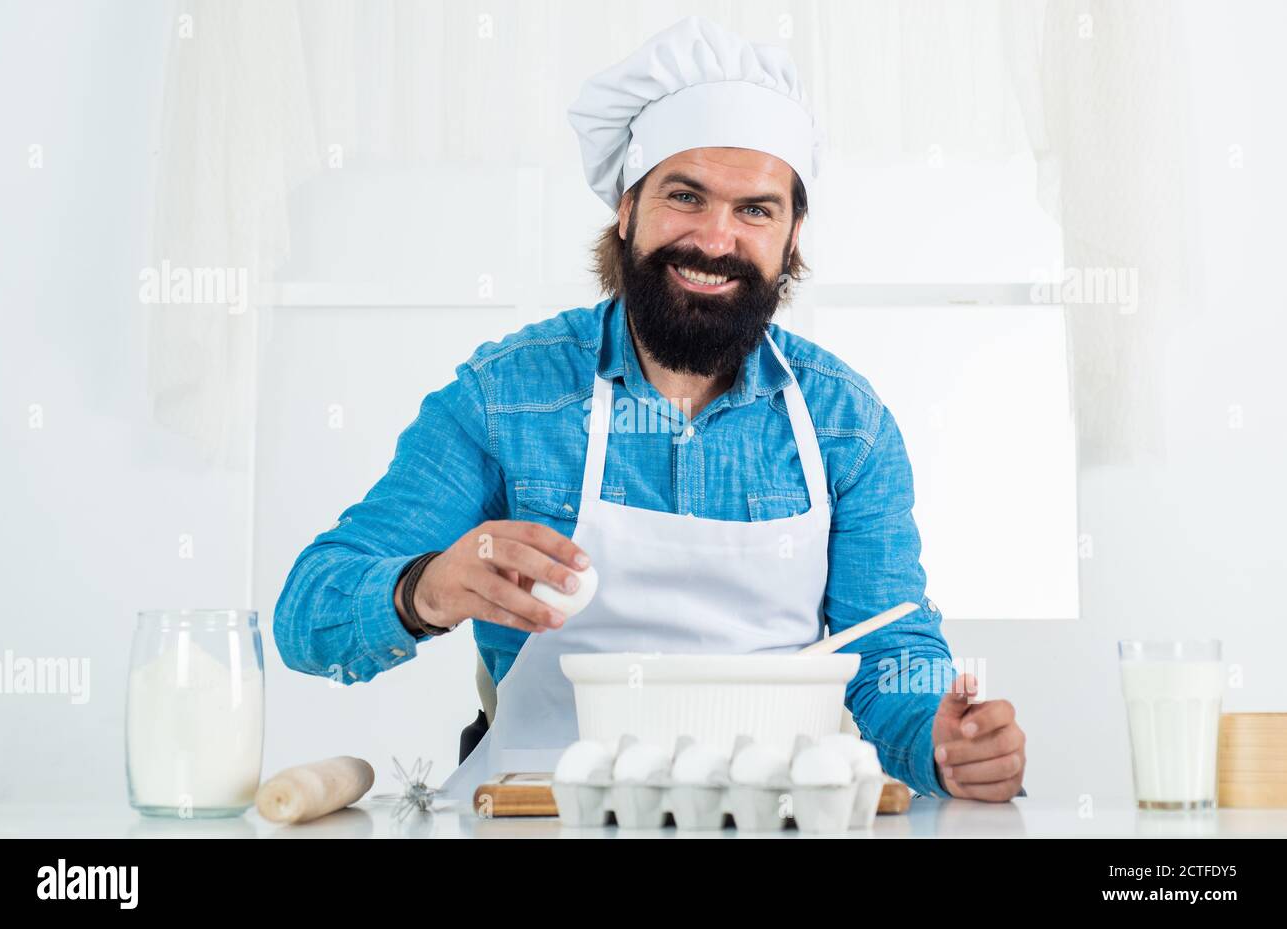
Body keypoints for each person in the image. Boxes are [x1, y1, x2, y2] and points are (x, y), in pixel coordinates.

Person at [274, 16, 1026, 805]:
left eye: (755, 211)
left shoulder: (850, 427)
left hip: (774, 816)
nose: (715, 237)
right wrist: (423, 589)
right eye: (685, 196)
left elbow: (890, 653)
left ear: (793, 234)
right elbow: (308, 611)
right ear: (626, 208)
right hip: (542, 816)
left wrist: (943, 741)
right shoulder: (507, 399)